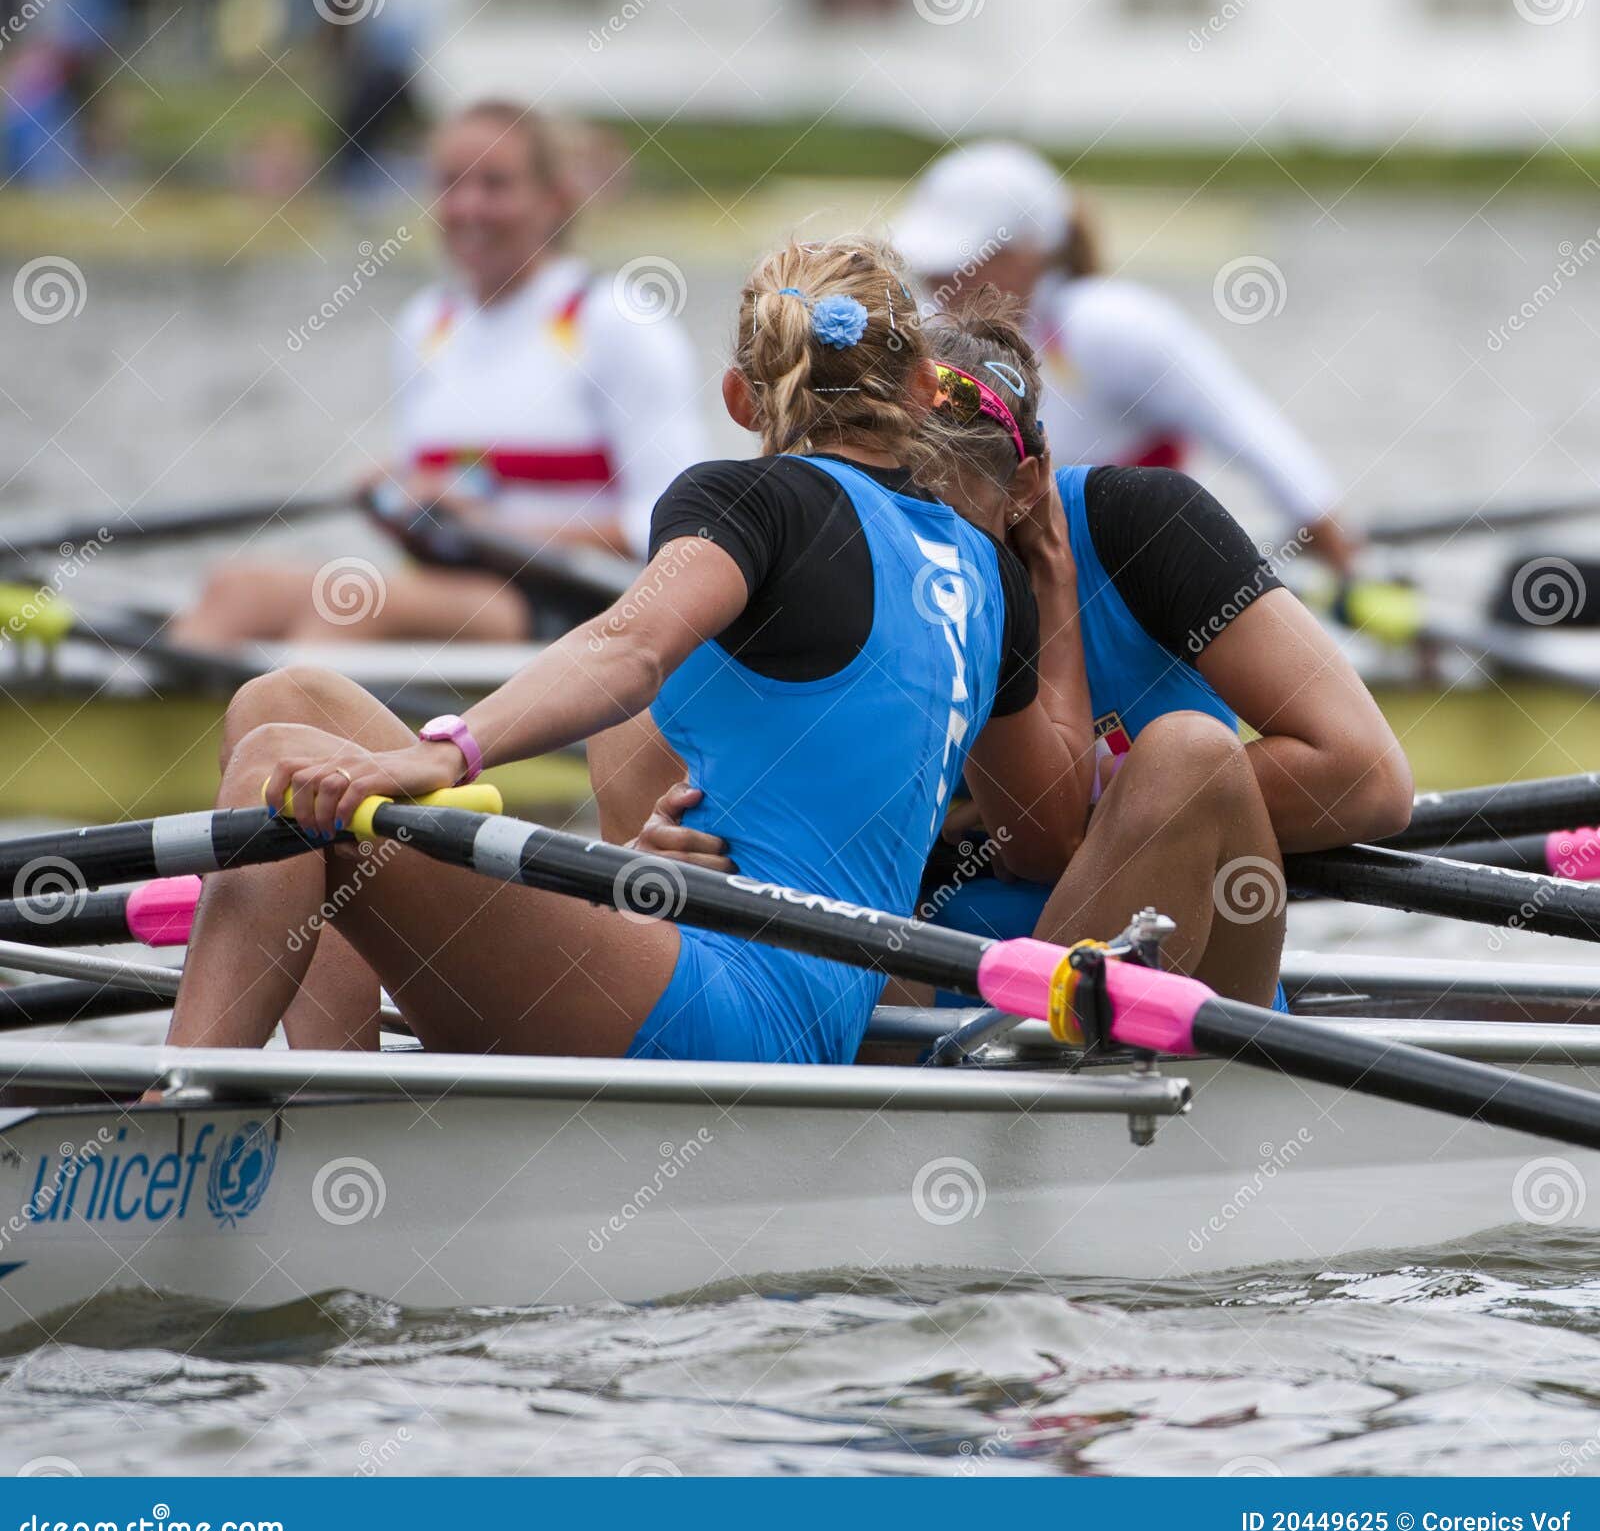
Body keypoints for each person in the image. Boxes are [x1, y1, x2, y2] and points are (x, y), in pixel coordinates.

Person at [164, 238, 1093, 1066]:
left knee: (273, 761)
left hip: (729, 1006)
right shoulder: (990, 574)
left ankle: (181, 1119)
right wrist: (1051, 570)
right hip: (792, 988)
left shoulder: (748, 500)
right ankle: (343, 1106)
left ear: (739, 398)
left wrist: (441, 750)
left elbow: (628, 649)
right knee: (286, 702)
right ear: (925, 387)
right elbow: (1046, 831)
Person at [619, 289, 1414, 1010]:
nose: (908, 538)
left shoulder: (1144, 526)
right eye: (883, 495)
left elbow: (1368, 778)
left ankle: (1015, 1088)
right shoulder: (830, 545)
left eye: (938, 507)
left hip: (1167, 974)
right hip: (922, 981)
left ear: (1025, 488)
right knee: (629, 726)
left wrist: (1103, 815)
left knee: (1187, 757)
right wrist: (654, 858)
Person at [172, 101, 706, 648]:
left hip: (579, 612)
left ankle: (286, 722)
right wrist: (396, 506)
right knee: (235, 587)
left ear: (554, 200)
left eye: (495, 185)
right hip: (460, 593)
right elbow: (440, 522)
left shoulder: (616, 321)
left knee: (359, 608)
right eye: (451, 184)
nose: (468, 207)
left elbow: (680, 534)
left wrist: (496, 533)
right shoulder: (428, 324)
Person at [891, 141, 1361, 577]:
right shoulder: (930, 332)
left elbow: (1251, 433)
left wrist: (1346, 568)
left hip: (1129, 582)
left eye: (958, 262)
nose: (939, 280)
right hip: (1013, 577)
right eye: (932, 266)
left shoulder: (1109, 324)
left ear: (1031, 250)